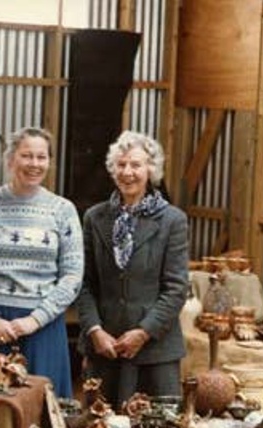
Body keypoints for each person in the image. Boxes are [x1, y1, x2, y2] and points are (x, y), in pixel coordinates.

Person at [0, 126, 84, 398]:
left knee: (41, 414)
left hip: (43, 328)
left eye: (42, 157)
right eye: (27, 155)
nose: (34, 164)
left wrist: (34, 320)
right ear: (10, 159)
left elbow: (73, 276)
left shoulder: (63, 210)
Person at [76, 130, 189, 409]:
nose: (128, 172)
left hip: (155, 352)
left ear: (151, 170)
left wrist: (143, 332)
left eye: (136, 165)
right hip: (106, 350)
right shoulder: (95, 218)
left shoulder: (172, 220)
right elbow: (83, 283)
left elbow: (176, 289)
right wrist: (94, 330)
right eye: (121, 164)